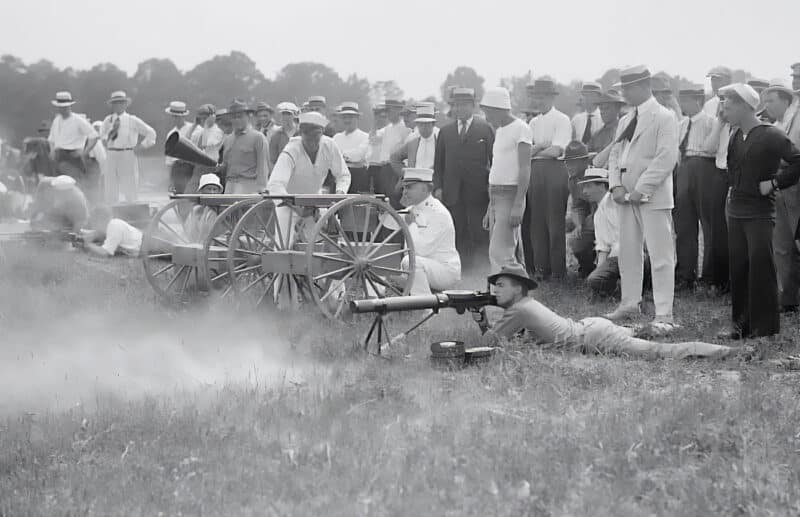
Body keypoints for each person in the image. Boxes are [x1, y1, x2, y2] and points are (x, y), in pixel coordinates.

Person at [473, 264, 731, 359]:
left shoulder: (518, 310)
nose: (495, 290)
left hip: (594, 336)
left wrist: (481, 319)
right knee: (644, 332)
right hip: (590, 327)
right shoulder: (524, 306)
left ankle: (729, 352)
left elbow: (488, 345)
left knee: (659, 352)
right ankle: (669, 327)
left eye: (501, 285)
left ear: (518, 289)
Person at [717, 83, 800, 339]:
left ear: (745, 107)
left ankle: (764, 330)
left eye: (729, 107)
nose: (724, 111)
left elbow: (797, 161)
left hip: (760, 214)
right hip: (737, 211)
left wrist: (774, 183)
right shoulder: (734, 135)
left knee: (761, 269)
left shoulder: (771, 134)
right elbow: (732, 168)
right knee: (739, 268)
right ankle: (740, 325)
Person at [606, 66, 678, 327]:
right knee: (628, 251)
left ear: (642, 86)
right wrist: (615, 185)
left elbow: (666, 157)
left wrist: (641, 189)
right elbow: (615, 154)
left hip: (652, 196)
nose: (624, 94)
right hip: (625, 196)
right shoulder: (626, 120)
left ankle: (663, 313)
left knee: (661, 255)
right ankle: (629, 303)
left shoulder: (664, 117)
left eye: (627, 89)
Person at [267, 111, 350, 245]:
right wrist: (295, 205)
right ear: (301, 134)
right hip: (288, 204)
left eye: (315, 136)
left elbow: (343, 175)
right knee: (282, 246)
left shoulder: (330, 146)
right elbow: (275, 184)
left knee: (321, 248)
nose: (312, 142)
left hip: (315, 202)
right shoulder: (291, 150)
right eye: (307, 137)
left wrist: (339, 195)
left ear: (322, 133)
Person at [433, 87, 494, 272]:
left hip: (478, 192)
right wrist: (438, 188)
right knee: (457, 231)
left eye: (462, 105)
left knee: (479, 231)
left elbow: (494, 160)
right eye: (455, 105)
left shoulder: (485, 128)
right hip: (452, 192)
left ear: (472, 106)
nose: (458, 109)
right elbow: (438, 164)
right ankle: (461, 269)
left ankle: (482, 270)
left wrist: (491, 188)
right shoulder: (445, 131)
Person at [674, 88, 725, 291]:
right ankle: (686, 275)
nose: (683, 105)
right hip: (684, 169)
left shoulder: (711, 122)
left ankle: (710, 277)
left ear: (698, 101)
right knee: (684, 225)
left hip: (706, 168)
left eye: (687, 100)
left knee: (709, 224)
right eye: (681, 100)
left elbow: (713, 149)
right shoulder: (680, 125)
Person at [479, 87, 532, 272]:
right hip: (495, 195)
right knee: (501, 251)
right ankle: (501, 291)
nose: (487, 118)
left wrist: (518, 203)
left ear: (498, 109)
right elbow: (498, 168)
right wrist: (489, 208)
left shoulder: (521, 128)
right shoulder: (500, 131)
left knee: (501, 251)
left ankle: (514, 291)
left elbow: (525, 167)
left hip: (511, 194)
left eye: (488, 113)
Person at [527, 77, 572, 279]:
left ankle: (558, 271)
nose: (540, 100)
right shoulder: (533, 122)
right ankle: (541, 269)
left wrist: (540, 149)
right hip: (535, 172)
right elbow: (527, 152)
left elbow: (556, 150)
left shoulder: (562, 119)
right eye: (537, 96)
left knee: (554, 223)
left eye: (544, 96)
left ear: (552, 97)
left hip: (555, 172)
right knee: (537, 223)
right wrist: (541, 147)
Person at [764, 83, 800, 312]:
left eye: (771, 101)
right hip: (781, 185)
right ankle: (786, 298)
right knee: (782, 245)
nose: (767, 106)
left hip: (795, 184)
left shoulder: (797, 118)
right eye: (765, 101)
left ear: (786, 101)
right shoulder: (775, 124)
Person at [398, 168, 460, 295]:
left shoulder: (438, 213)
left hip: (445, 270)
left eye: (409, 187)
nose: (405, 192)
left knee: (409, 262)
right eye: (403, 188)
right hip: (426, 266)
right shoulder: (412, 209)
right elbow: (389, 221)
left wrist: (411, 225)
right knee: (398, 270)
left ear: (424, 189)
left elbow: (420, 250)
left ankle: (425, 306)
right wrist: (382, 211)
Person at [99, 90, 157, 204]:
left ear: (125, 104)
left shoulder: (132, 120)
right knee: (110, 183)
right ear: (112, 105)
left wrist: (142, 146)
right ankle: (112, 207)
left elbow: (151, 133)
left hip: (127, 153)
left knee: (130, 183)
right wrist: (105, 140)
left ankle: (131, 206)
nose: (118, 105)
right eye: (115, 103)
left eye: (121, 103)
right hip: (111, 153)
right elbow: (101, 134)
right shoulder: (108, 120)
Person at [577, 168, 621, 297]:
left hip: (634, 253)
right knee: (594, 280)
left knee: (597, 279)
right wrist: (600, 270)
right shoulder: (598, 214)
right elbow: (603, 246)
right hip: (616, 256)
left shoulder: (616, 203)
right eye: (584, 187)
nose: (585, 192)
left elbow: (625, 236)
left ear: (602, 186)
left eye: (588, 187)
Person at [47, 91, 99, 187]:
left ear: (69, 106)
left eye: (64, 107)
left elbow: (94, 136)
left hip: (73, 156)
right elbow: (51, 139)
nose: (62, 109)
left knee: (75, 184)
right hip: (59, 155)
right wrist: (52, 151)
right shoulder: (56, 120)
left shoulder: (78, 120)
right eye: (60, 107)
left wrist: (84, 152)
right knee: (59, 185)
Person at [559, 141, 595, 277]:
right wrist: (579, 224)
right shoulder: (573, 180)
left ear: (584, 161)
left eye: (572, 162)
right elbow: (577, 205)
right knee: (576, 239)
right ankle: (587, 268)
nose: (568, 165)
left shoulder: (595, 174)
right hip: (589, 216)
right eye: (567, 162)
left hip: (605, 216)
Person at [219, 100, 267, 194]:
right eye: (234, 117)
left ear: (248, 116)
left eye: (240, 116)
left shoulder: (258, 137)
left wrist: (262, 189)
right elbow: (225, 166)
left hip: (249, 185)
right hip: (230, 185)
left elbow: (263, 167)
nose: (237, 120)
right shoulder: (228, 139)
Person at [370, 98, 411, 207]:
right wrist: (375, 119)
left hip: (395, 169)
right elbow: (373, 140)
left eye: (390, 110)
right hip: (383, 168)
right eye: (386, 111)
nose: (387, 114)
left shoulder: (405, 128)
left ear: (398, 111)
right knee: (383, 202)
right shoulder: (387, 128)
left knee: (395, 200)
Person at [185, 104, 224, 194]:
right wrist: (194, 125)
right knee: (188, 193)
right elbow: (186, 141)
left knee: (205, 194)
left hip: (210, 166)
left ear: (212, 117)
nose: (202, 121)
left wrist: (206, 125)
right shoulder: (202, 131)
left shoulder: (217, 131)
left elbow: (204, 145)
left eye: (205, 118)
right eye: (201, 118)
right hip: (199, 165)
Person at [390, 104, 438, 176]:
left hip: (433, 182)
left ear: (433, 124)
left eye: (427, 124)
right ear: (417, 124)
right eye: (421, 124)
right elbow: (394, 158)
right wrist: (407, 174)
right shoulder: (413, 142)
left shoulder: (440, 139)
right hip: (414, 182)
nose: (424, 128)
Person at [333, 102, 370, 193]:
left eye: (350, 117)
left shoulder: (365, 137)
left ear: (357, 118)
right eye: (344, 117)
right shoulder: (336, 137)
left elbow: (358, 156)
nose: (347, 120)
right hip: (338, 176)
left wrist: (340, 155)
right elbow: (331, 156)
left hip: (357, 177)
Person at [165, 101, 200, 194]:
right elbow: (169, 160)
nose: (176, 119)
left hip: (190, 167)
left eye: (178, 116)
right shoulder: (171, 134)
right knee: (178, 195)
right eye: (174, 116)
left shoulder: (195, 129)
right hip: (177, 168)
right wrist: (170, 180)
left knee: (190, 195)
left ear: (183, 116)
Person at [184, 173, 224, 242]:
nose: (212, 193)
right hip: (193, 244)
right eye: (209, 189)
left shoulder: (222, 211)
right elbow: (186, 231)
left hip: (213, 245)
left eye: (214, 189)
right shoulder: (194, 210)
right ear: (201, 191)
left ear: (218, 192)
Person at [590, 90, 625, 167]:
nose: (602, 112)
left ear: (617, 109)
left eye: (606, 108)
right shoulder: (596, 135)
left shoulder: (624, 131)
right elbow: (589, 158)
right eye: (601, 109)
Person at [268, 102, 299, 170]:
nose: (286, 117)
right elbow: (272, 160)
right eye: (283, 114)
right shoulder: (276, 136)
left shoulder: (301, 133)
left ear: (294, 115)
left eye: (289, 114)